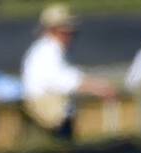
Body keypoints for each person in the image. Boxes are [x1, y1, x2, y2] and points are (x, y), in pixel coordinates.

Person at [21, 3, 113, 140]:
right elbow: (64, 80)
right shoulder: (47, 51)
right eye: (66, 30)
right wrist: (97, 88)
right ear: (53, 29)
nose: (71, 35)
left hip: (54, 120)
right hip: (47, 123)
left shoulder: (52, 50)